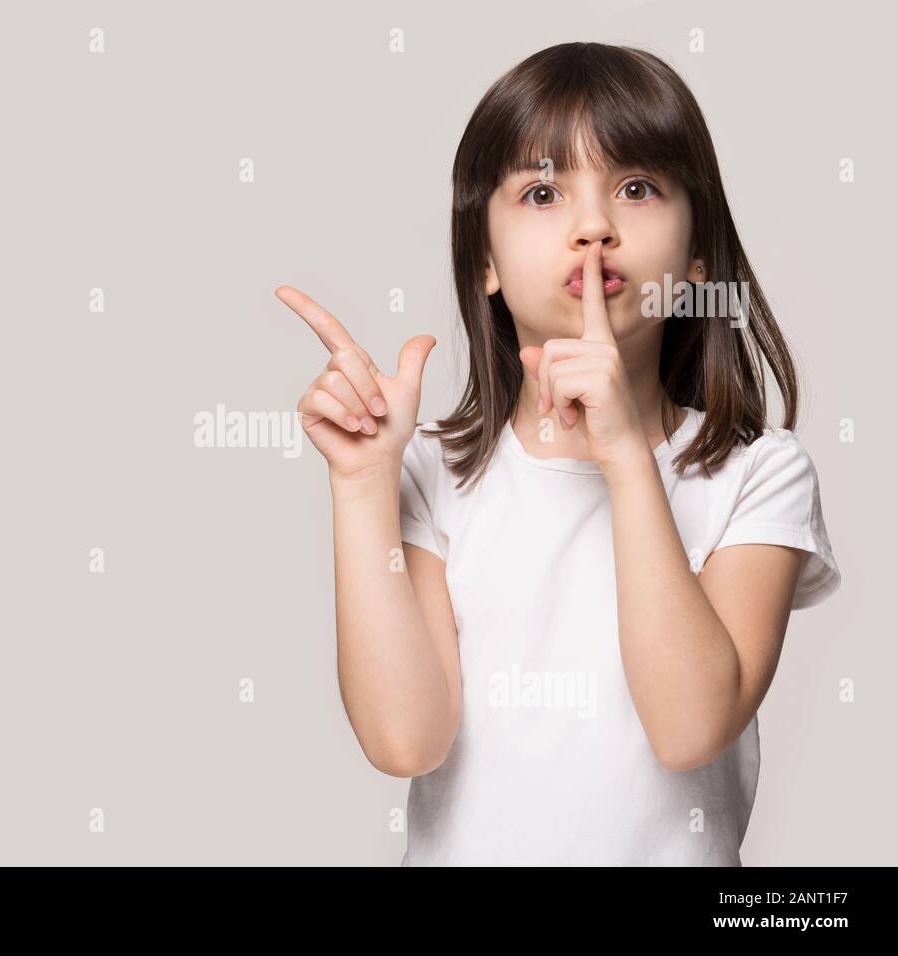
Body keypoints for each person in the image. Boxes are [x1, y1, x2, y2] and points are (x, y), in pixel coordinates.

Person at [275, 41, 841, 866]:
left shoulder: (759, 473)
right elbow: (406, 740)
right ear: (485, 263)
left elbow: (690, 728)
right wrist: (364, 488)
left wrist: (621, 451)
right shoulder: (435, 474)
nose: (592, 227)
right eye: (543, 192)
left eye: (637, 187)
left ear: (693, 265)